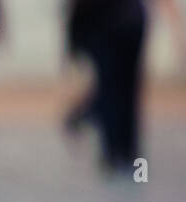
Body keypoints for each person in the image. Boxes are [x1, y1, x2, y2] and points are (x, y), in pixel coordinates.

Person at [65, 0, 153, 175]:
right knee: (122, 89)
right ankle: (124, 150)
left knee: (111, 88)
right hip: (126, 20)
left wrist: (73, 41)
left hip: (109, 22)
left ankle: (116, 150)